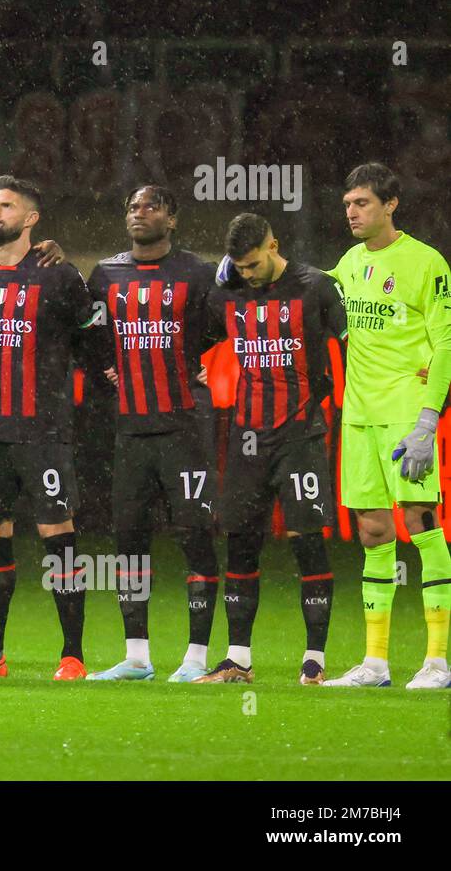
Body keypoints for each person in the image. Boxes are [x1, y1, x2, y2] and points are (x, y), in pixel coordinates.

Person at [0, 177, 100, 680]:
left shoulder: (59, 275)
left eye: (6, 205)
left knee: (58, 537)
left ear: (31, 219)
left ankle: (72, 655)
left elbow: (92, 337)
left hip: (44, 431)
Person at [195, 213, 343, 685]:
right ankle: (238, 658)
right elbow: (195, 331)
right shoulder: (228, 292)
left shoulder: (317, 288)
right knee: (240, 541)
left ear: (275, 246)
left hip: (300, 435)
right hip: (247, 436)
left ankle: (314, 660)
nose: (249, 273)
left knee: (307, 542)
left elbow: (351, 348)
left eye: (255, 264)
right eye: (239, 266)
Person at [319, 164, 451, 689]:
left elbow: (445, 343)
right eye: (348, 203)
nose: (352, 212)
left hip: (405, 416)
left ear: (391, 204)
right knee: (373, 531)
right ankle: (375, 663)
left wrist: (427, 420)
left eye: (363, 203)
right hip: (359, 418)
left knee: (420, 523)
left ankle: (438, 661)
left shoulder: (426, 262)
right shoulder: (349, 263)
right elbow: (305, 293)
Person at [85, 185, 222, 683]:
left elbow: (224, 327)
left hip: (184, 427)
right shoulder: (105, 274)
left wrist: (201, 366)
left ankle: (196, 658)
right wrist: (107, 371)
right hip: (131, 430)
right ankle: (137, 657)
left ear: (173, 218)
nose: (139, 213)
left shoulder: (198, 273)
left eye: (151, 206)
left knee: (195, 536)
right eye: (132, 206)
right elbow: (90, 335)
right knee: (129, 540)